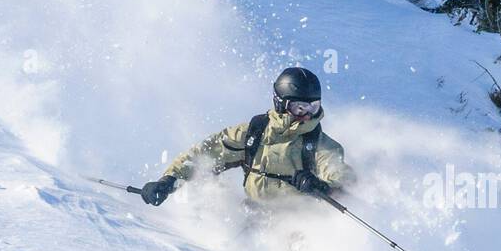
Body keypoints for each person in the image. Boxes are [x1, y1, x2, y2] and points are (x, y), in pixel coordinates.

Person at [140, 66, 349, 206]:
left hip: (300, 224)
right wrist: (168, 180)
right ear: (281, 103)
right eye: (300, 107)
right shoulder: (253, 132)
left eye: (314, 107)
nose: (307, 115)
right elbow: (205, 154)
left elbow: (342, 179)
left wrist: (322, 187)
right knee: (227, 239)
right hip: (255, 216)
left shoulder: (321, 145)